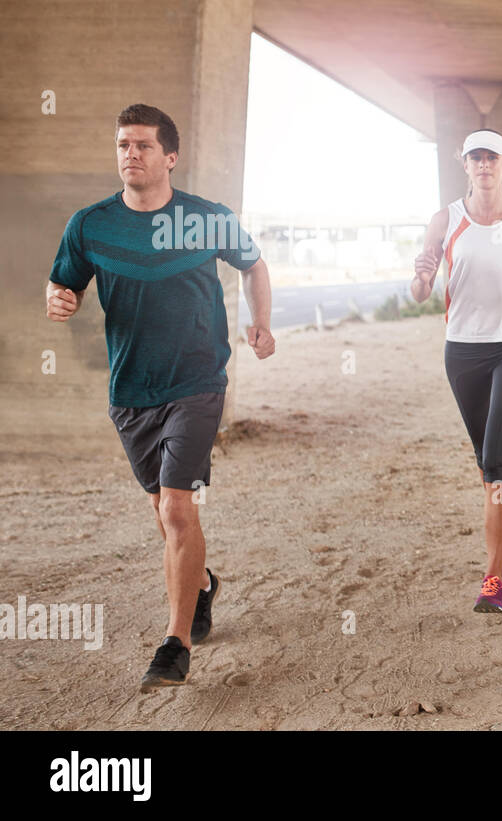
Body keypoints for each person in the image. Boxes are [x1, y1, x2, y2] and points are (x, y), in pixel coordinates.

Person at [44, 103, 275, 691]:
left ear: (170, 157)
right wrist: (59, 301)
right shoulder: (90, 224)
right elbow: (63, 283)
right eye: (123, 144)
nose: (131, 154)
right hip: (130, 391)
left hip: (198, 383)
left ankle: (174, 643)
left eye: (143, 146)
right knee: (161, 509)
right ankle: (200, 583)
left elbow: (254, 265)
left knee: (177, 507)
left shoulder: (207, 219)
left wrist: (261, 321)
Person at [412, 129, 502, 614]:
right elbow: (420, 292)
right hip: (461, 352)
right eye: (475, 158)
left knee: (496, 462)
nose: (484, 164)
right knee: (483, 461)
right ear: (463, 164)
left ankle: (492, 580)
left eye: (492, 157)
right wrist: (422, 276)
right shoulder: (444, 219)